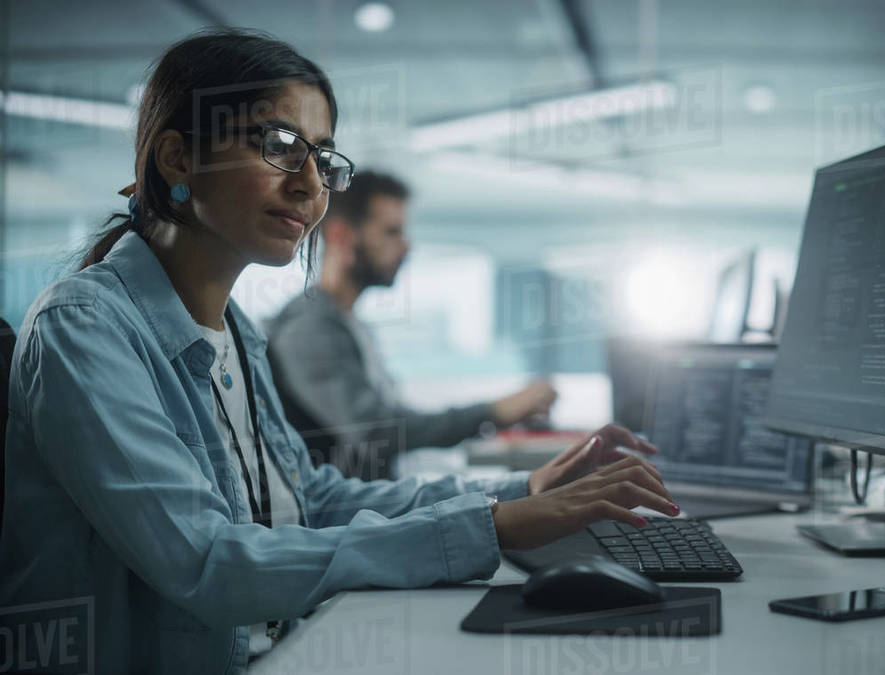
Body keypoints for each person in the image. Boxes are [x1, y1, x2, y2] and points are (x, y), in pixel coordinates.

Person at [0, 30, 677, 673]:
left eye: (322, 158)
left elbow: (311, 499)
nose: (310, 184)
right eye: (278, 145)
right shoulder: (83, 328)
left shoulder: (235, 328)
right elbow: (208, 561)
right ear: (178, 158)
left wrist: (516, 490)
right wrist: (490, 527)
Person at [266, 171, 556, 481]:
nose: (405, 247)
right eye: (391, 232)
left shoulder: (351, 324)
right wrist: (494, 412)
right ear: (341, 236)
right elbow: (376, 430)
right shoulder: (310, 329)